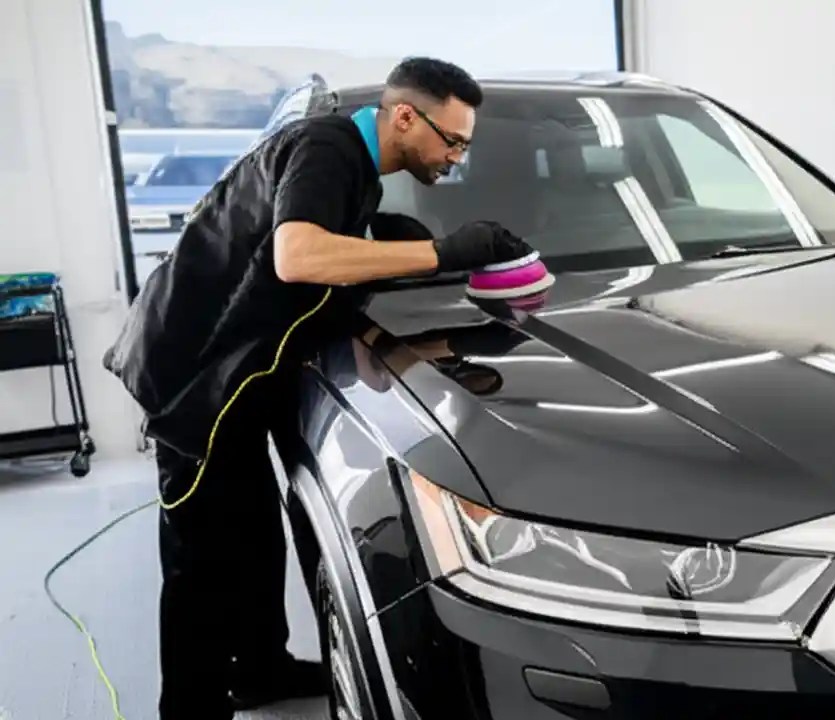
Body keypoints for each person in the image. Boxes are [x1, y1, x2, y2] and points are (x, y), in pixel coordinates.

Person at [101, 57, 534, 719]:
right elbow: (297, 256)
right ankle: (188, 707)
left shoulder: (357, 172)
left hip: (240, 379)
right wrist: (444, 253)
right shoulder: (326, 147)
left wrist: (433, 311)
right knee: (203, 558)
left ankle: (258, 668)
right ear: (405, 117)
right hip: (195, 384)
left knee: (251, 532)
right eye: (451, 141)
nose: (455, 159)